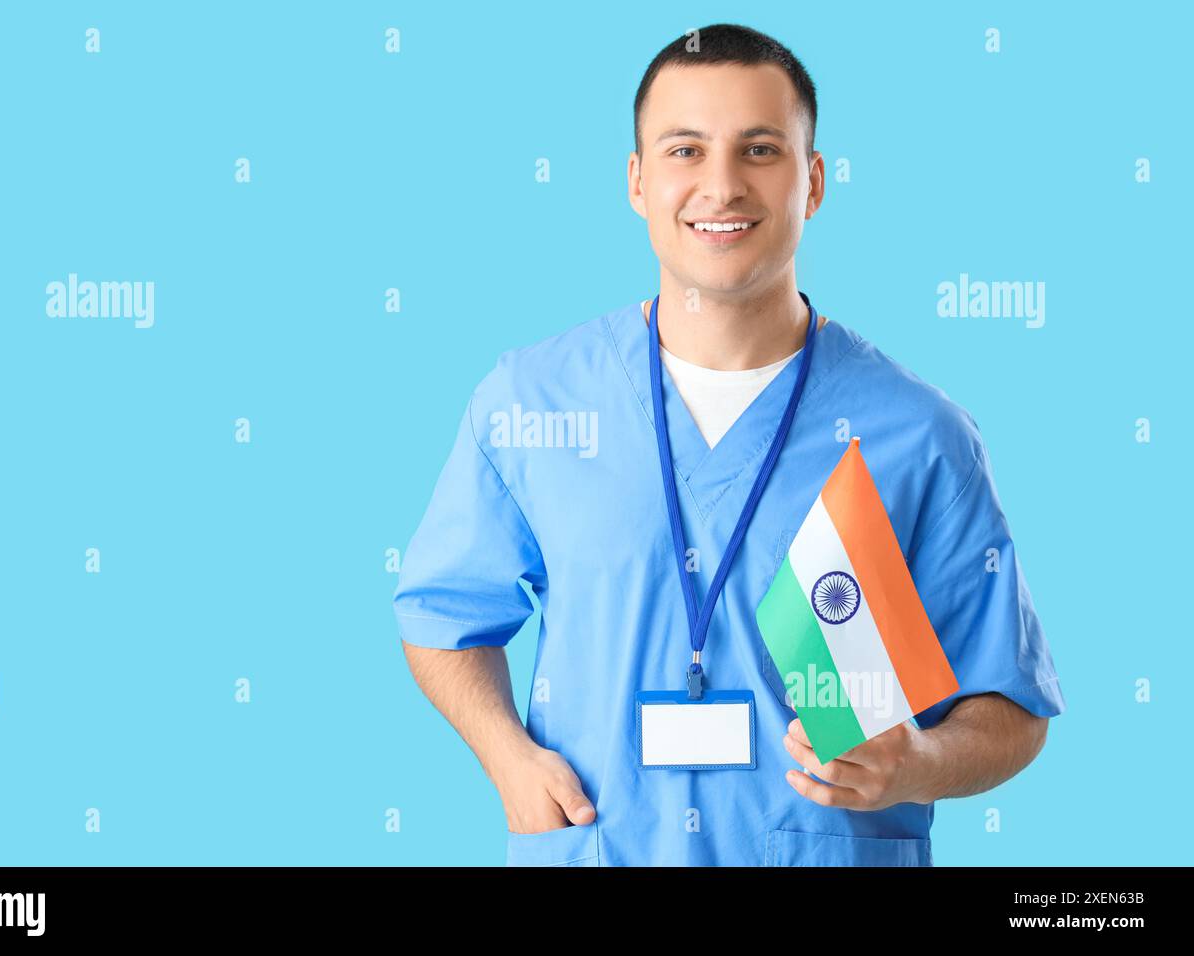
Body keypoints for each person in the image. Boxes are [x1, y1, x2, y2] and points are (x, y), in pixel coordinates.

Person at [392, 23, 1064, 866]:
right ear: (636, 182)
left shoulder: (918, 436)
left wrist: (918, 764)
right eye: (684, 151)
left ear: (812, 182)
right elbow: (441, 612)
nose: (721, 185)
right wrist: (507, 758)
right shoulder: (534, 403)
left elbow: (1013, 706)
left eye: (759, 150)